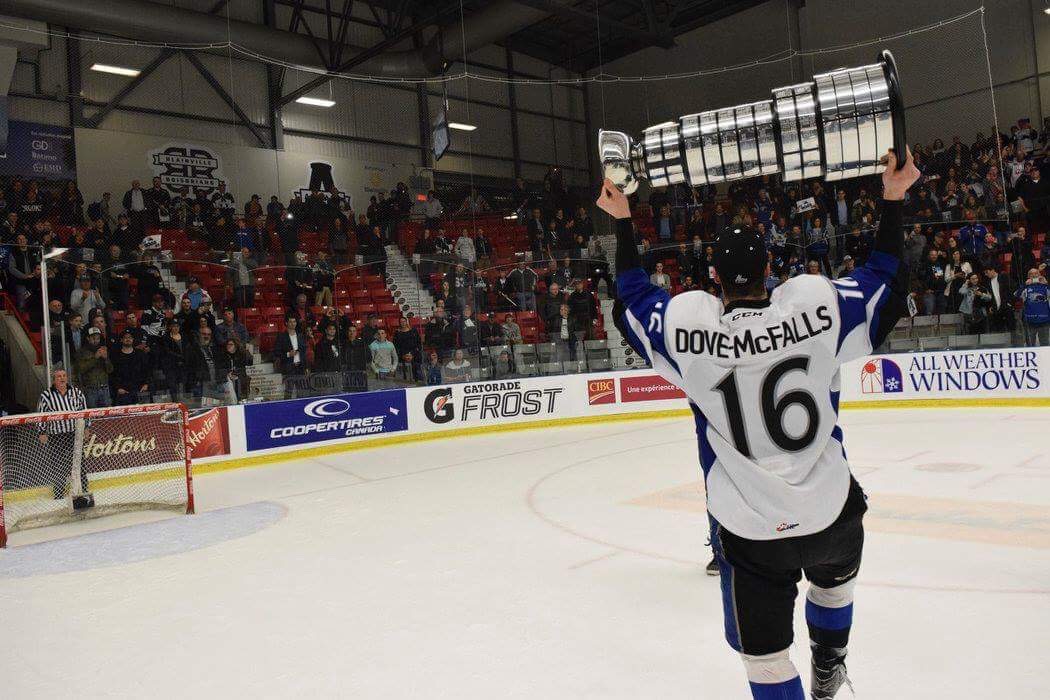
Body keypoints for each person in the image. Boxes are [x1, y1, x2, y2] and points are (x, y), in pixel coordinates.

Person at [597, 146, 920, 700]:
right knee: (833, 586)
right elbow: (885, 283)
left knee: (766, 662)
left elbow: (631, 301)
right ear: (771, 271)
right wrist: (892, 198)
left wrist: (624, 222)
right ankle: (830, 662)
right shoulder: (813, 306)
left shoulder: (690, 331)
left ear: (713, 278)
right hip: (831, 511)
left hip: (751, 530)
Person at [36, 368, 92, 506]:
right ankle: (59, 492)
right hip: (56, 435)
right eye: (59, 376)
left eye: (64, 375)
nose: (62, 378)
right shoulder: (46, 395)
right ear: (54, 380)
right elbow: (41, 415)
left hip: (74, 434)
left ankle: (83, 489)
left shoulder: (77, 392)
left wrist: (87, 427)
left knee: (79, 462)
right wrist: (41, 432)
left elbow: (84, 410)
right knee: (58, 464)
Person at [73, 328, 113, 408]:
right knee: (92, 413)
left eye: (98, 338)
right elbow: (81, 369)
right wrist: (95, 357)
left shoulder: (103, 350)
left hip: (104, 388)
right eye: (93, 338)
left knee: (106, 414)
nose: (96, 340)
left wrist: (106, 359)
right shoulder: (81, 352)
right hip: (90, 389)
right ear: (88, 338)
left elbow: (110, 370)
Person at [110, 329, 151, 405]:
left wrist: (146, 384)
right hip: (123, 393)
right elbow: (113, 374)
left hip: (140, 390)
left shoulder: (140, 354)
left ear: (133, 339)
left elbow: (147, 370)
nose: (128, 339)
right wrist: (118, 388)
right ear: (121, 340)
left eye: (130, 337)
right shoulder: (115, 356)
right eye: (125, 337)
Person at [1018, 268, 1050, 346]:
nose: (1034, 275)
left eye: (1036, 273)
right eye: (1031, 274)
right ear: (1028, 276)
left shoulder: (1045, 287)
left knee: (1045, 344)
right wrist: (1024, 285)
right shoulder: (1026, 288)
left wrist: (1046, 284)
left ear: (1040, 275)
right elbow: (1017, 295)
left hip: (1044, 320)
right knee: (1030, 344)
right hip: (1030, 321)